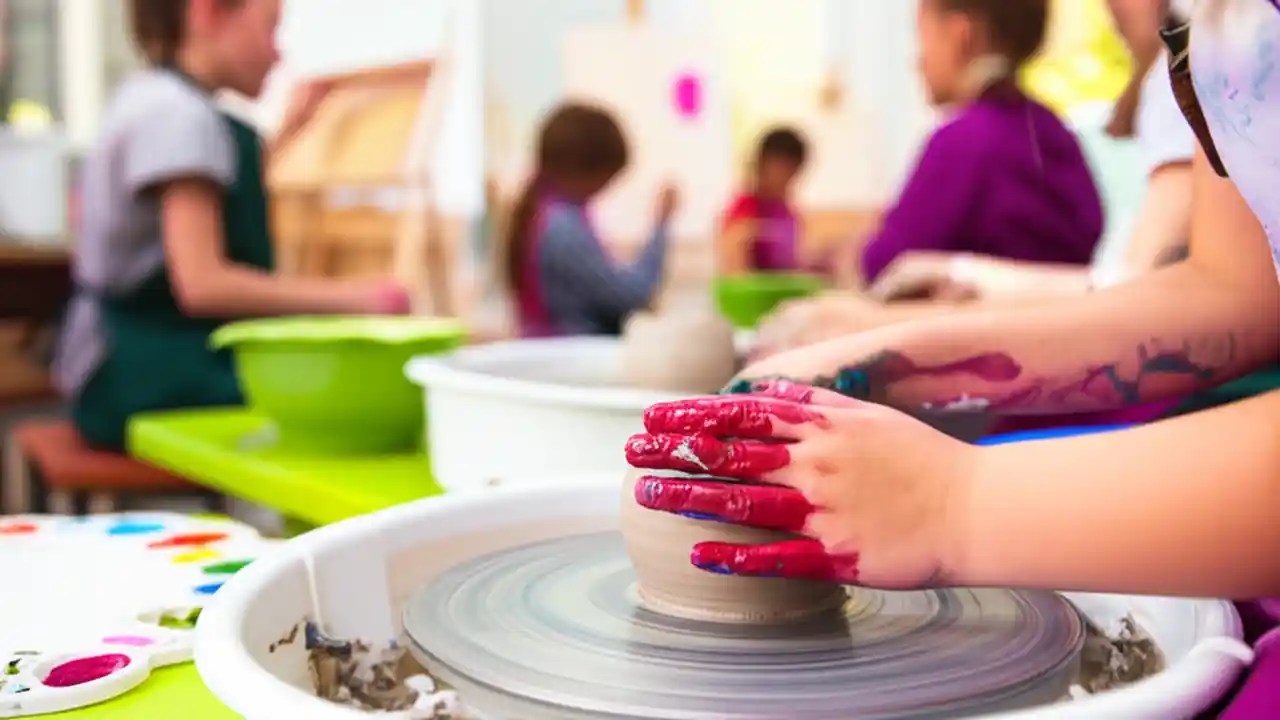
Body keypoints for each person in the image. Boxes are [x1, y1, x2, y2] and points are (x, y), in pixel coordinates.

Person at [626, 0, 1280, 714]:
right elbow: (1233, 291)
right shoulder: (1180, 36)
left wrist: (951, 503)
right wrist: (885, 357)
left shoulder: (965, 139)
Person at [54, 0, 410, 451]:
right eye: (270, 28)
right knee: (323, 407)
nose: (278, 54)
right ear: (208, 13)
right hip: (140, 371)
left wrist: (290, 129)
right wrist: (357, 299)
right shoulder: (178, 116)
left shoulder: (151, 97)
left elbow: (216, 195)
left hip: (110, 362)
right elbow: (202, 284)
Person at [848, 0, 1104, 287]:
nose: (916, 62)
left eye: (922, 37)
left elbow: (885, 266)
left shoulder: (963, 141)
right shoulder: (1053, 132)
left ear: (960, 35)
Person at [502, 103, 678, 338]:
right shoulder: (563, 228)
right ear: (587, 172)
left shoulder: (545, 211)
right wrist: (661, 224)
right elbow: (632, 295)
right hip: (571, 355)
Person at [718, 128, 809, 275]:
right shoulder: (745, 207)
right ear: (762, 164)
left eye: (793, 172)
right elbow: (732, 260)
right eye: (781, 168)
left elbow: (795, 261)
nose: (786, 179)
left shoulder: (789, 214)